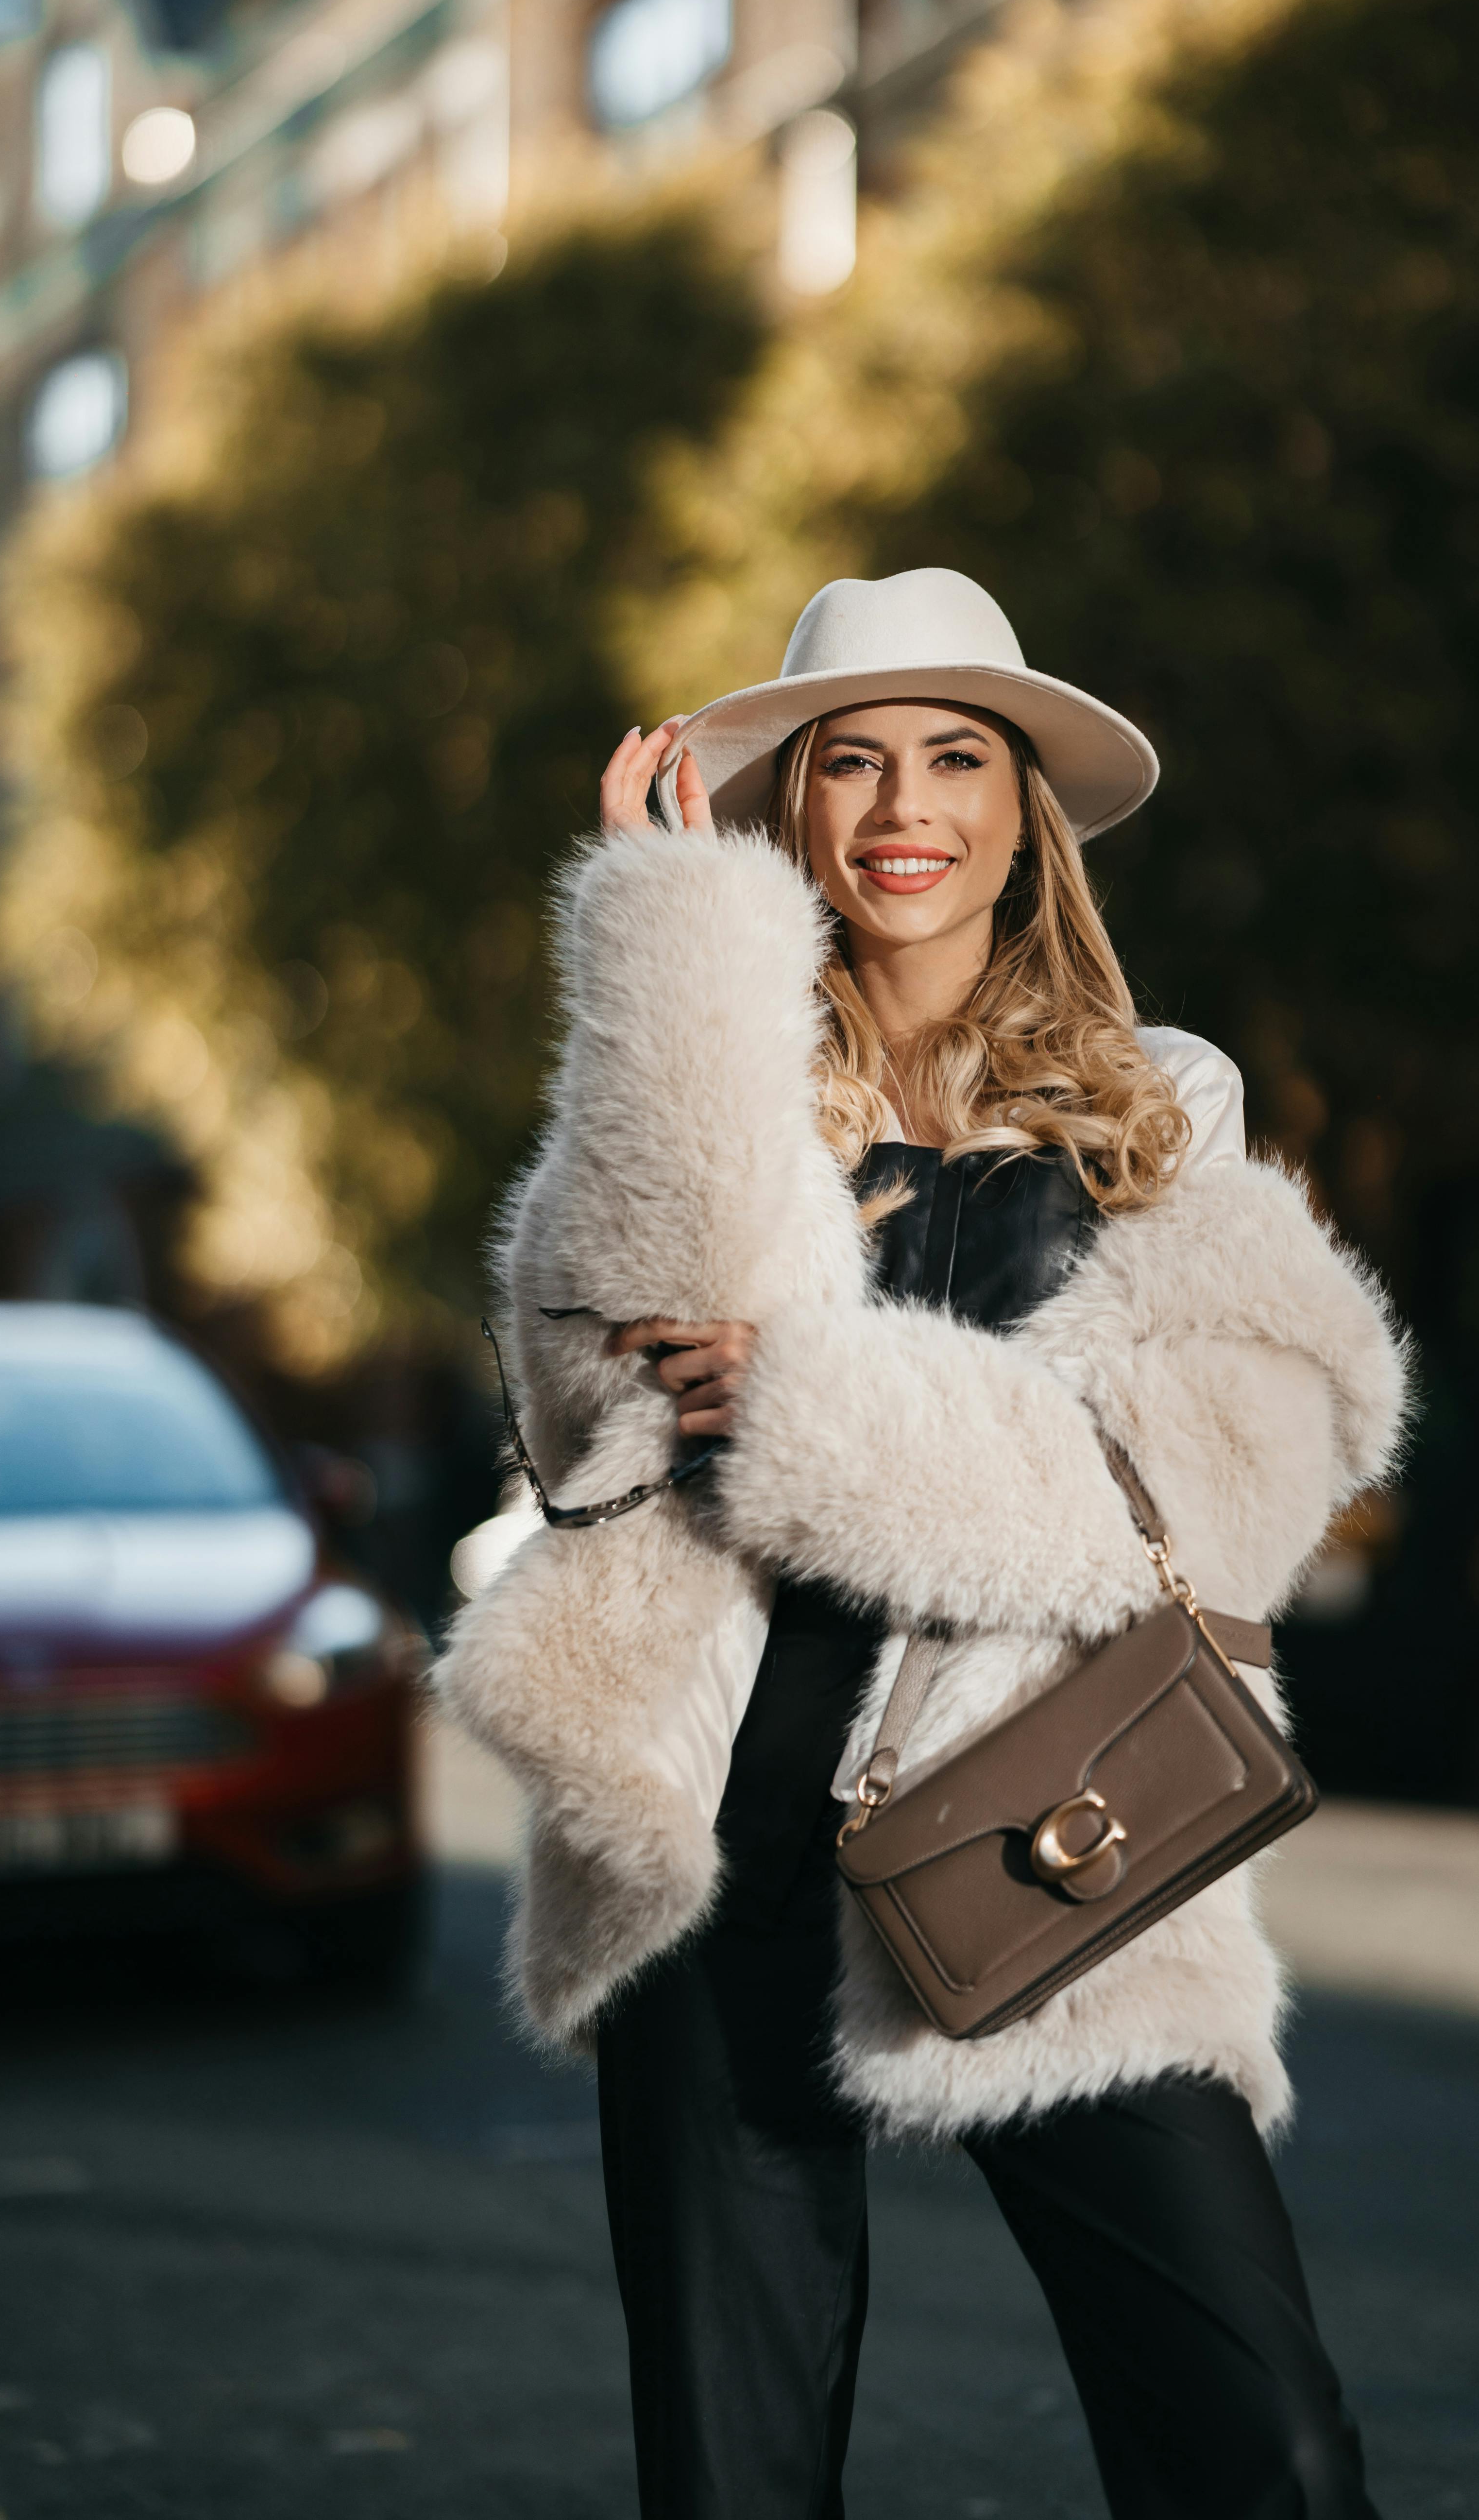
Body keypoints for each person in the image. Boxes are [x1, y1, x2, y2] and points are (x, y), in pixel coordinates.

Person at [437, 568, 1409, 2519]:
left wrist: (809, 1403)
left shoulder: (1161, 1106)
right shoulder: (705, 1085)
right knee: (737, 2483)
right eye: (852, 759)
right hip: (716, 1846)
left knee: (1266, 2453)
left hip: (1052, 1836)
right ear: (787, 808)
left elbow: (1197, 1508)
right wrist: (666, 971)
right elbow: (587, 1427)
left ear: (1017, 812)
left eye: (956, 756)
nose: (905, 805)